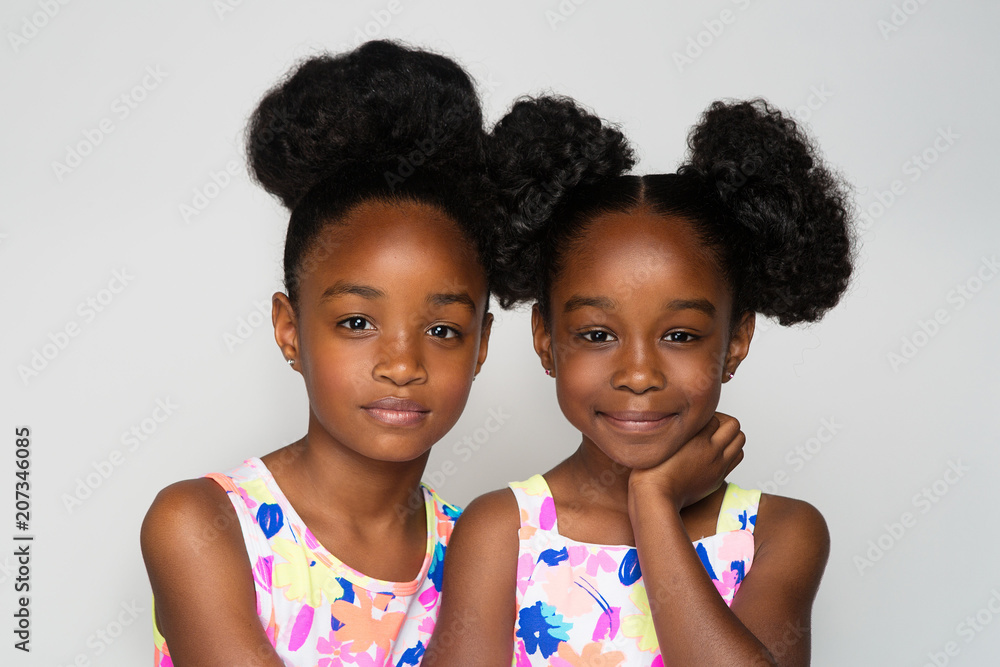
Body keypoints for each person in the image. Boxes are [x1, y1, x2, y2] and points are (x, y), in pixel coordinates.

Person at [425, 96, 854, 665]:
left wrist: (652, 502)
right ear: (546, 339)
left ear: (736, 341)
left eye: (680, 335)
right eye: (598, 335)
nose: (638, 374)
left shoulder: (781, 533)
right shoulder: (502, 532)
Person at [140, 40, 498, 666]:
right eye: (358, 321)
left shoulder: (489, 550)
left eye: (443, 330)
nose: (403, 364)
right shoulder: (207, 525)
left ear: (482, 346)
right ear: (289, 330)